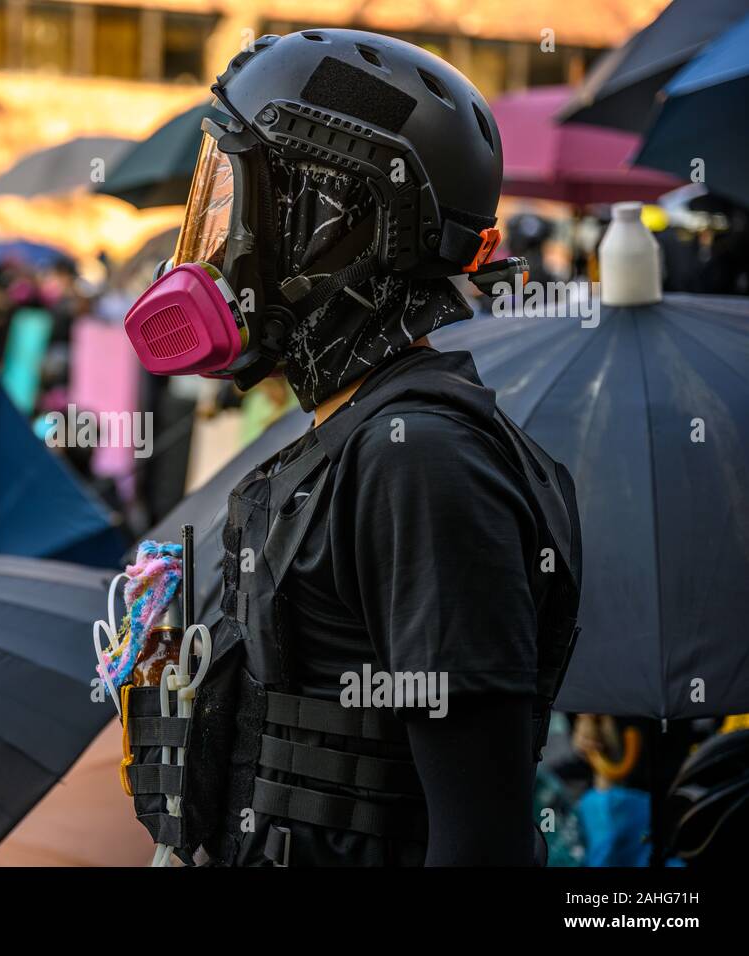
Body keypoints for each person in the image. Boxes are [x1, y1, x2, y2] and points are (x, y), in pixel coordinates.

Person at [118, 30, 582, 866]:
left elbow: (484, 843)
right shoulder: (353, 433)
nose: (208, 249)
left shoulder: (421, 461)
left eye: (232, 204)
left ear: (334, 222)